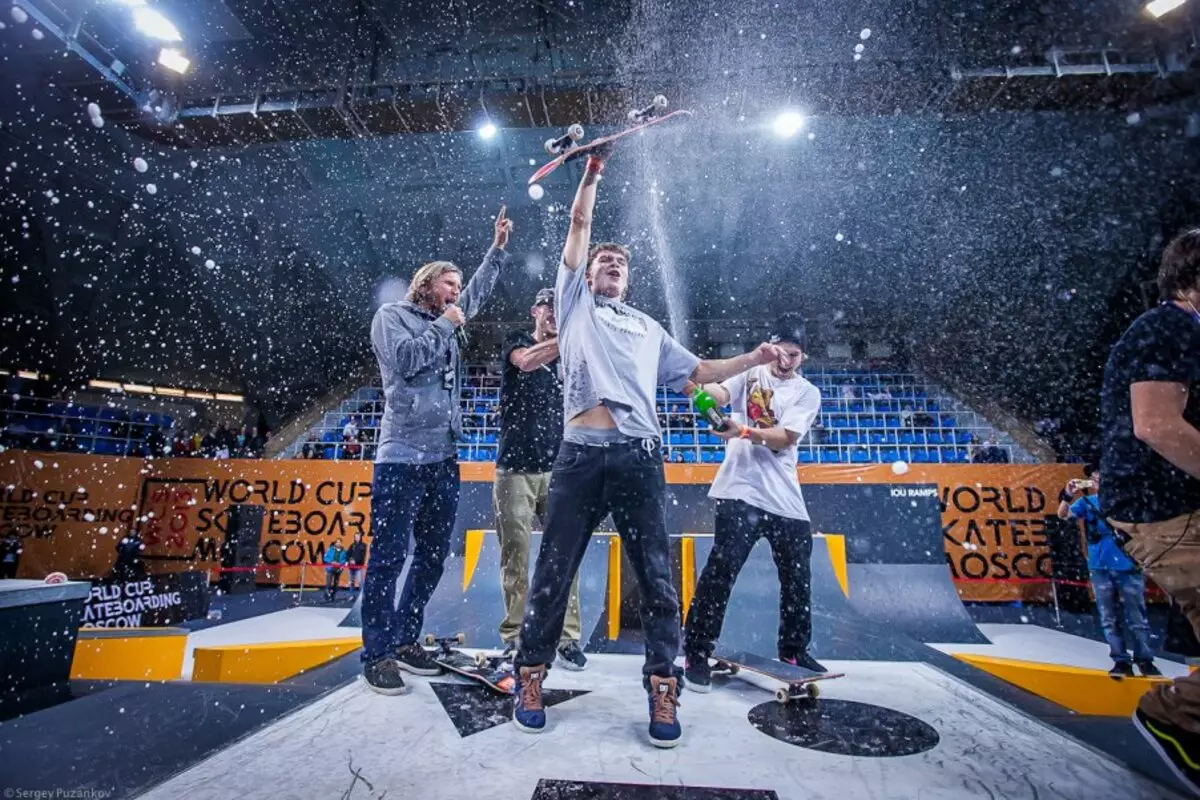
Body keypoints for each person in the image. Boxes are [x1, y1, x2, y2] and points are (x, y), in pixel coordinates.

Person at [510, 144, 783, 748]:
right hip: (580, 454)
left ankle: (663, 684)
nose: (610, 265)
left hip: (639, 457)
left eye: (618, 264)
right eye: (602, 260)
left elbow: (705, 372)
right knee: (553, 575)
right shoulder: (574, 302)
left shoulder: (648, 328)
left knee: (658, 581)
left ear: (628, 278)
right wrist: (593, 170)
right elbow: (579, 223)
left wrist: (754, 358)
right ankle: (529, 675)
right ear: (585, 274)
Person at [361, 206, 513, 695]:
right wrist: (446, 323)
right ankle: (377, 653)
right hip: (401, 457)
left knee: (432, 556)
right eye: (450, 284)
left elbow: (477, 296)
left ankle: (406, 639)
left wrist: (497, 251)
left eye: (457, 285)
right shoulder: (393, 318)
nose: (456, 292)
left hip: (444, 458)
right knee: (387, 558)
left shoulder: (447, 318)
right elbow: (406, 362)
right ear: (426, 284)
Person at [1100, 228, 1200, 791]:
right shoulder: (1168, 327)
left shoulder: (1182, 331)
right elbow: (1156, 424)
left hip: (1172, 502)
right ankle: (1173, 715)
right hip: (1162, 509)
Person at [682, 314, 824, 691]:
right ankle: (696, 650)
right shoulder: (750, 375)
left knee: (798, 579)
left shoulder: (807, 393)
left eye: (793, 354)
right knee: (721, 572)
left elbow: (786, 437)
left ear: (802, 356)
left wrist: (743, 430)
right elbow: (721, 395)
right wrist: (697, 390)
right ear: (771, 347)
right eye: (780, 352)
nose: (785, 360)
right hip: (739, 490)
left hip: (786, 499)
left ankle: (794, 650)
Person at [494, 288, 587, 669]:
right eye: (550, 308)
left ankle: (567, 637)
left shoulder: (572, 356)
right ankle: (515, 634)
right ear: (535, 310)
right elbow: (527, 361)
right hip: (514, 469)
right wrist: (571, 333)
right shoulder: (518, 342)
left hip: (560, 468)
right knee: (515, 556)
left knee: (566, 557)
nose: (554, 314)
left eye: (561, 310)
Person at [1056, 467, 1160, 678]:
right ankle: (1120, 659)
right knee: (1108, 617)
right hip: (1100, 566)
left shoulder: (1124, 501)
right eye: (1094, 479)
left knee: (1137, 617)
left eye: (1101, 479)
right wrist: (1067, 495)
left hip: (1128, 565)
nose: (1097, 483)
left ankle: (1145, 660)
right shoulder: (1085, 503)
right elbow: (1063, 515)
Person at [347, 532, 368, 597]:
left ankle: (362, 596)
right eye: (355, 536)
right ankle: (351, 595)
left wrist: (356, 561)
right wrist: (350, 560)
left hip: (358, 566)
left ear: (360, 537)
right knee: (351, 582)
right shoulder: (352, 545)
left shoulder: (363, 545)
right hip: (351, 567)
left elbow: (362, 557)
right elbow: (348, 554)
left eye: (358, 536)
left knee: (360, 582)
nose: (356, 538)